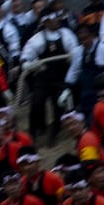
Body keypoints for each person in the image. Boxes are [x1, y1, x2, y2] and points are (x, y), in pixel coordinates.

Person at [21, 10, 79, 144]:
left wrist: (72, 57)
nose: (57, 21)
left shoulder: (66, 34)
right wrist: (30, 65)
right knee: (37, 102)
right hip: (43, 78)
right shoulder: (37, 39)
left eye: (57, 18)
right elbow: (25, 57)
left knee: (58, 105)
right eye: (53, 19)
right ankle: (33, 131)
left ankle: (54, 134)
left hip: (61, 78)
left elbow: (75, 51)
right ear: (46, 23)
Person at [65, 21, 104, 116]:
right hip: (86, 95)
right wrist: (67, 89)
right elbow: (73, 73)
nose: (84, 42)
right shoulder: (77, 52)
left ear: (92, 35)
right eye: (80, 40)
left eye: (85, 38)